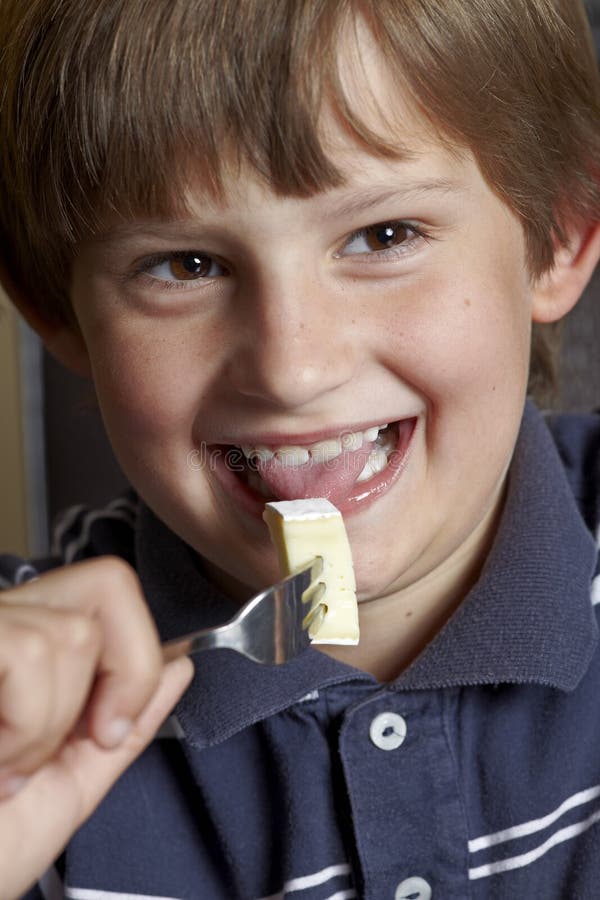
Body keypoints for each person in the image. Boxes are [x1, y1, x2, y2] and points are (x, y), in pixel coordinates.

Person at [1, 0, 600, 897]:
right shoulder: (23, 714)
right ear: (56, 309)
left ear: (556, 237)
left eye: (383, 236)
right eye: (185, 265)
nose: (292, 368)